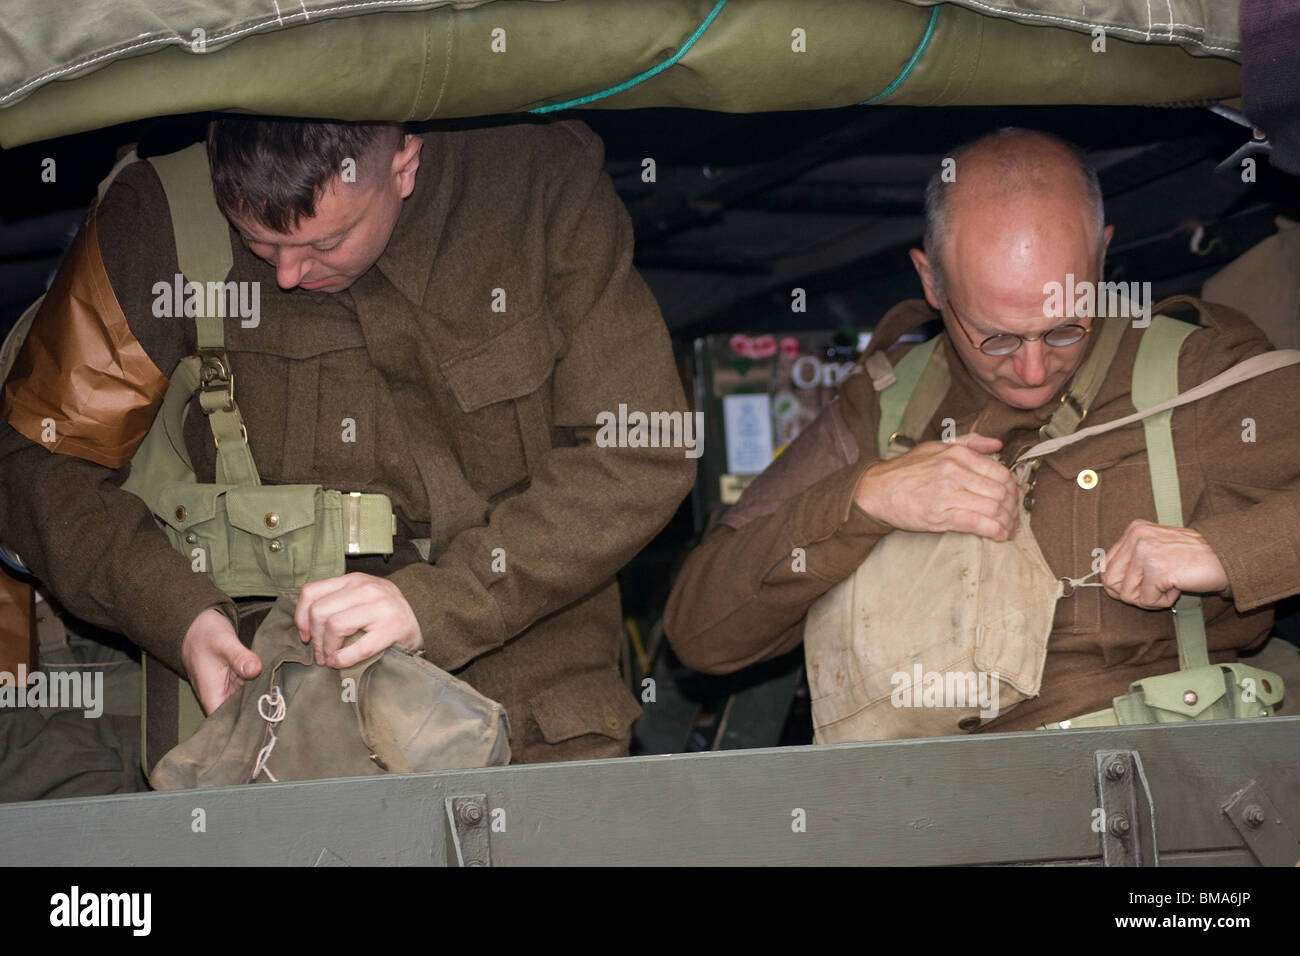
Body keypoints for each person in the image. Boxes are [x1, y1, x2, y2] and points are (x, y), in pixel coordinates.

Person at [0, 114, 696, 772]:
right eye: (257, 241)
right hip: (270, 743)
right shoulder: (164, 214)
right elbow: (37, 460)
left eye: (325, 244)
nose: (287, 275)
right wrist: (176, 615)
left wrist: (445, 601)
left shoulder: (537, 184)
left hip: (533, 727)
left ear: (405, 163)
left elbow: (642, 448)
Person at [664, 127, 1300, 733]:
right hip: (932, 789)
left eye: (1064, 327)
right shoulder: (886, 407)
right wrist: (865, 498)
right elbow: (700, 632)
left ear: (1102, 257)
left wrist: (1228, 549)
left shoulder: (1197, 375)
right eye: (996, 337)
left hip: (1149, 773)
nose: (1032, 369)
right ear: (931, 281)